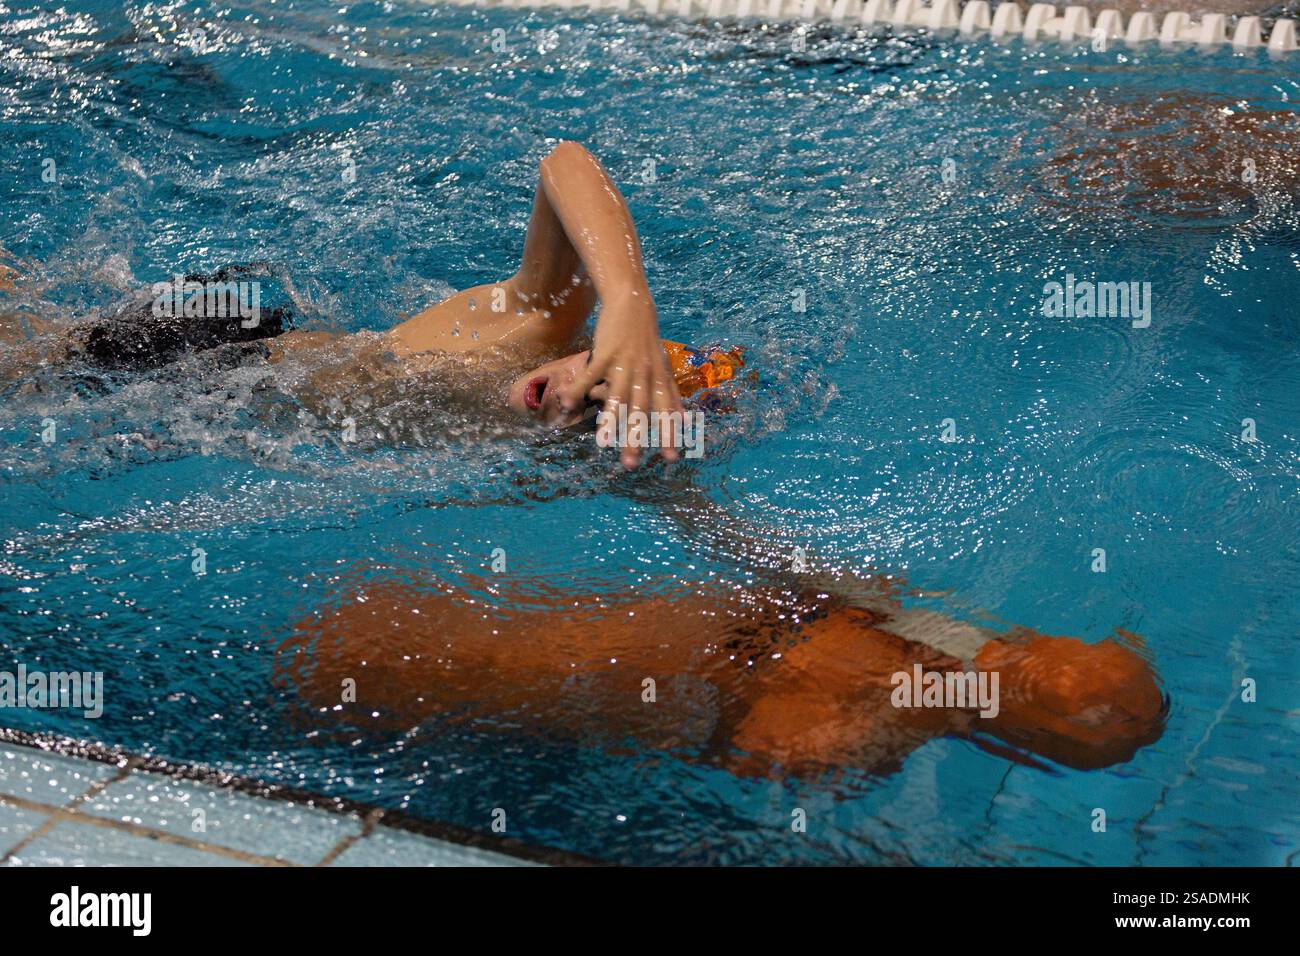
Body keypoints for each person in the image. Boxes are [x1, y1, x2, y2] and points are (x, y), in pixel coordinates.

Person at [0, 142, 720, 469]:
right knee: (20, 357)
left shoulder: (544, 458)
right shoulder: (533, 324)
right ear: (584, 345)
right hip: (213, 344)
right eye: (595, 374)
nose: (571, 397)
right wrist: (628, 297)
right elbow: (567, 161)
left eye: (594, 415)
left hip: (224, 409)